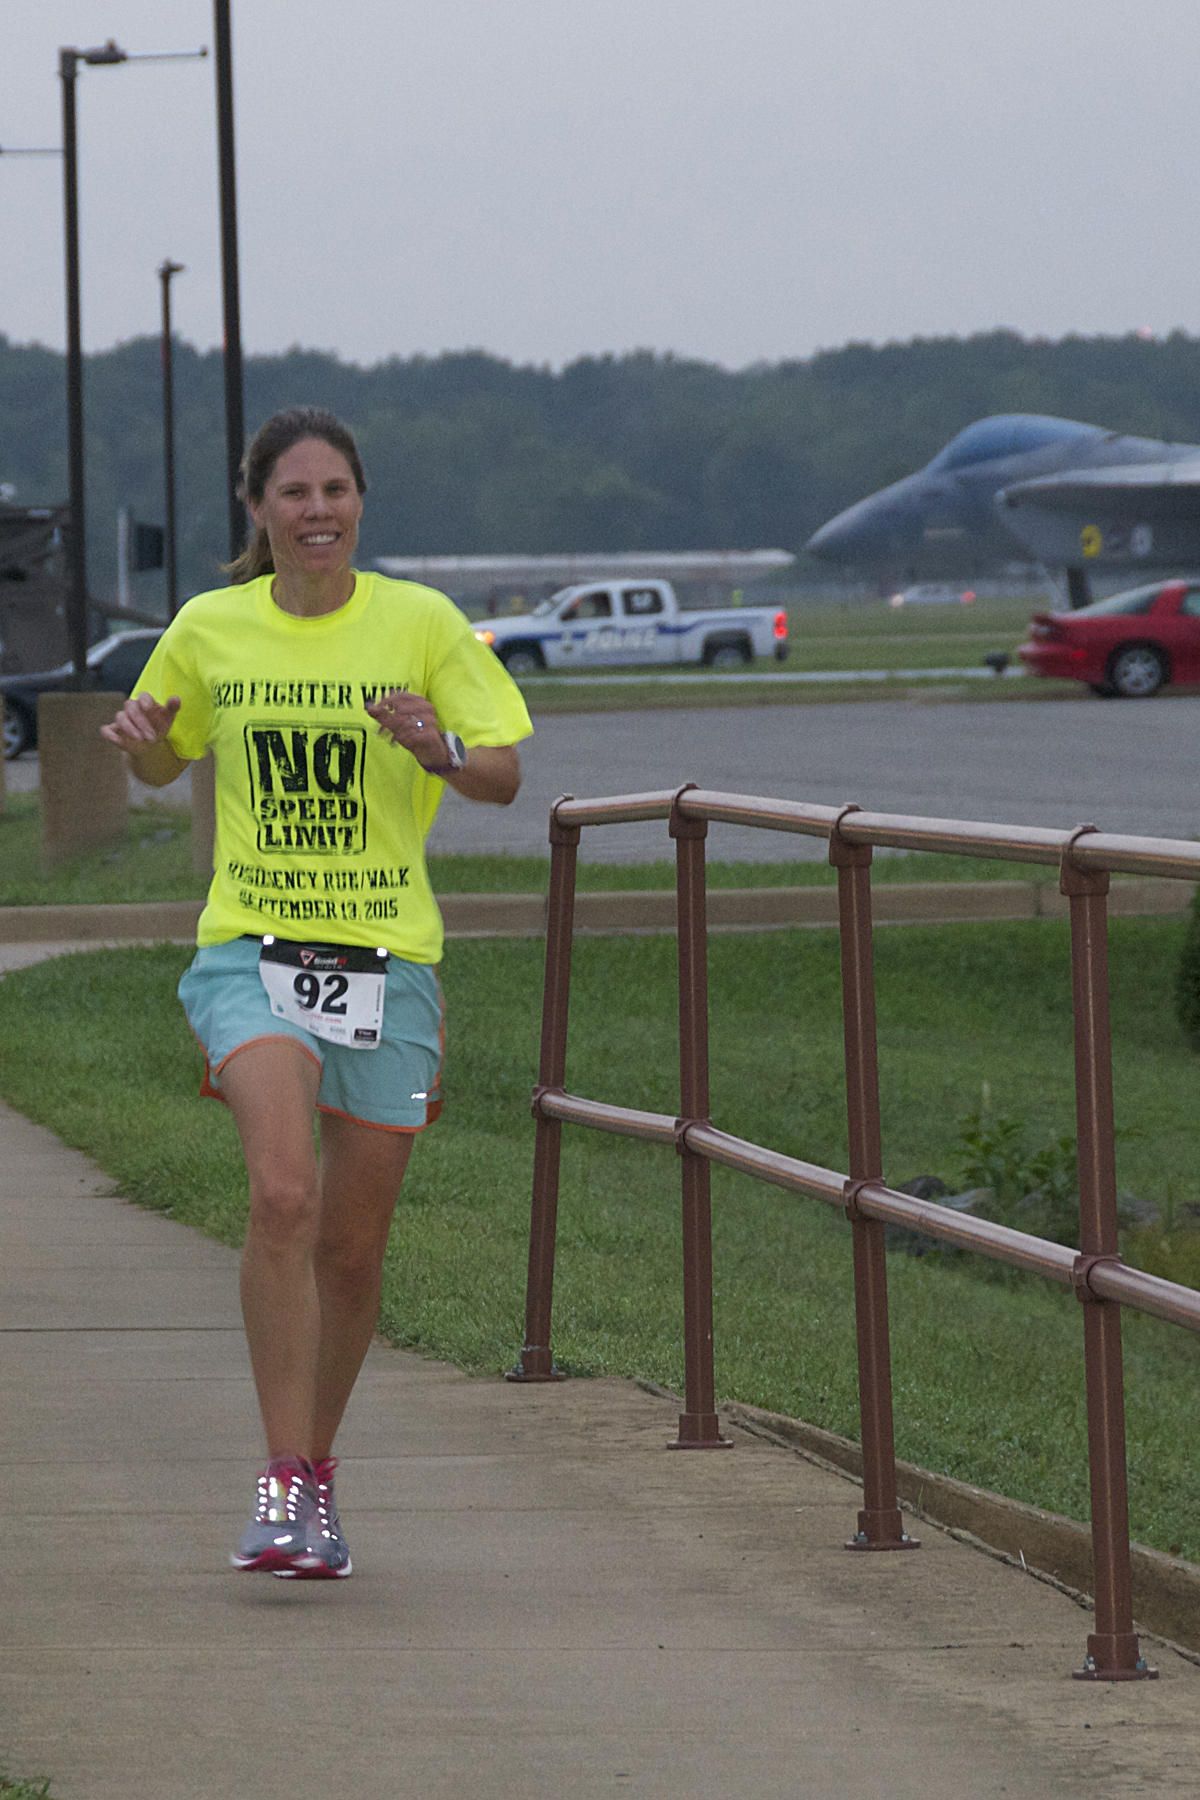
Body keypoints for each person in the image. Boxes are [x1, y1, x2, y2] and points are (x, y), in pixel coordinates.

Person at [101, 407, 532, 1578]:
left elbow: (502, 773)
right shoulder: (210, 628)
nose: (318, 513)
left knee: (350, 1245)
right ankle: (280, 1479)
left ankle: (321, 1473)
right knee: (283, 1193)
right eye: (294, 494)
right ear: (257, 511)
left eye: (336, 491)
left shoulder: (421, 624)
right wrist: (141, 737)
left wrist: (437, 744)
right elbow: (158, 755)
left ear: (360, 503)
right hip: (253, 949)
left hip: (388, 962)